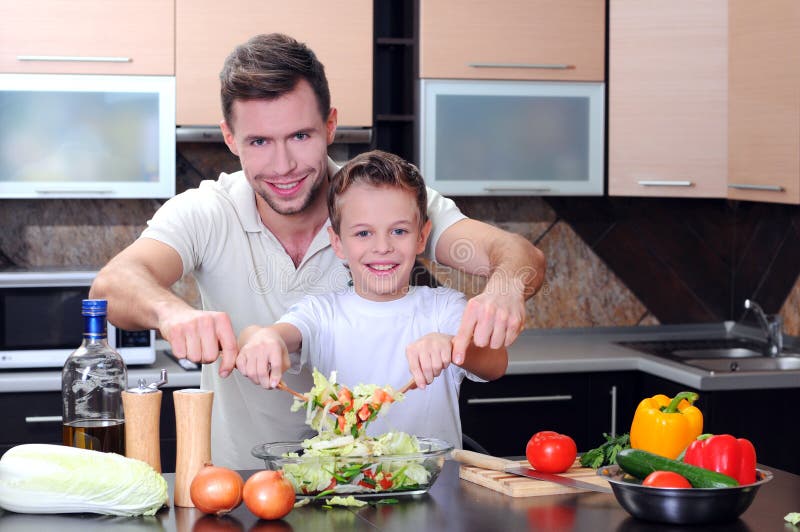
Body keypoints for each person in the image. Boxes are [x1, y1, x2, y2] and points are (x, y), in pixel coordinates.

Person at [90, 33, 545, 469]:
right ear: (230, 138)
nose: (283, 165)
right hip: (245, 484)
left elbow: (515, 255)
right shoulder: (207, 212)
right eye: (259, 142)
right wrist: (173, 315)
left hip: (377, 481)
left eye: (300, 136)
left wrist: (504, 288)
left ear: (330, 126)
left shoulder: (378, 199)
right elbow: (112, 285)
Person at [236, 150, 508, 447]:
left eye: (399, 231)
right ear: (338, 242)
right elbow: (270, 336)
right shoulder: (320, 312)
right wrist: (261, 339)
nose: (382, 247)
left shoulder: (445, 308)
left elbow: (496, 363)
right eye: (364, 233)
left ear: (421, 236)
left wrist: (452, 345)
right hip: (344, 476)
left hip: (435, 475)